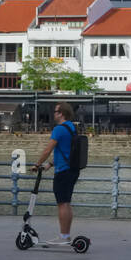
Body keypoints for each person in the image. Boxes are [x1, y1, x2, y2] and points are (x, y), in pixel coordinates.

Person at [34, 103, 78, 242]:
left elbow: (48, 150)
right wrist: (49, 164)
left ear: (62, 113)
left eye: (55, 111)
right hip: (72, 169)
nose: (53, 113)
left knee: (62, 204)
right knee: (66, 203)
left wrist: (37, 164)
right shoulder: (71, 127)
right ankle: (66, 235)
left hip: (63, 171)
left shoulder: (59, 129)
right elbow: (66, 150)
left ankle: (64, 236)